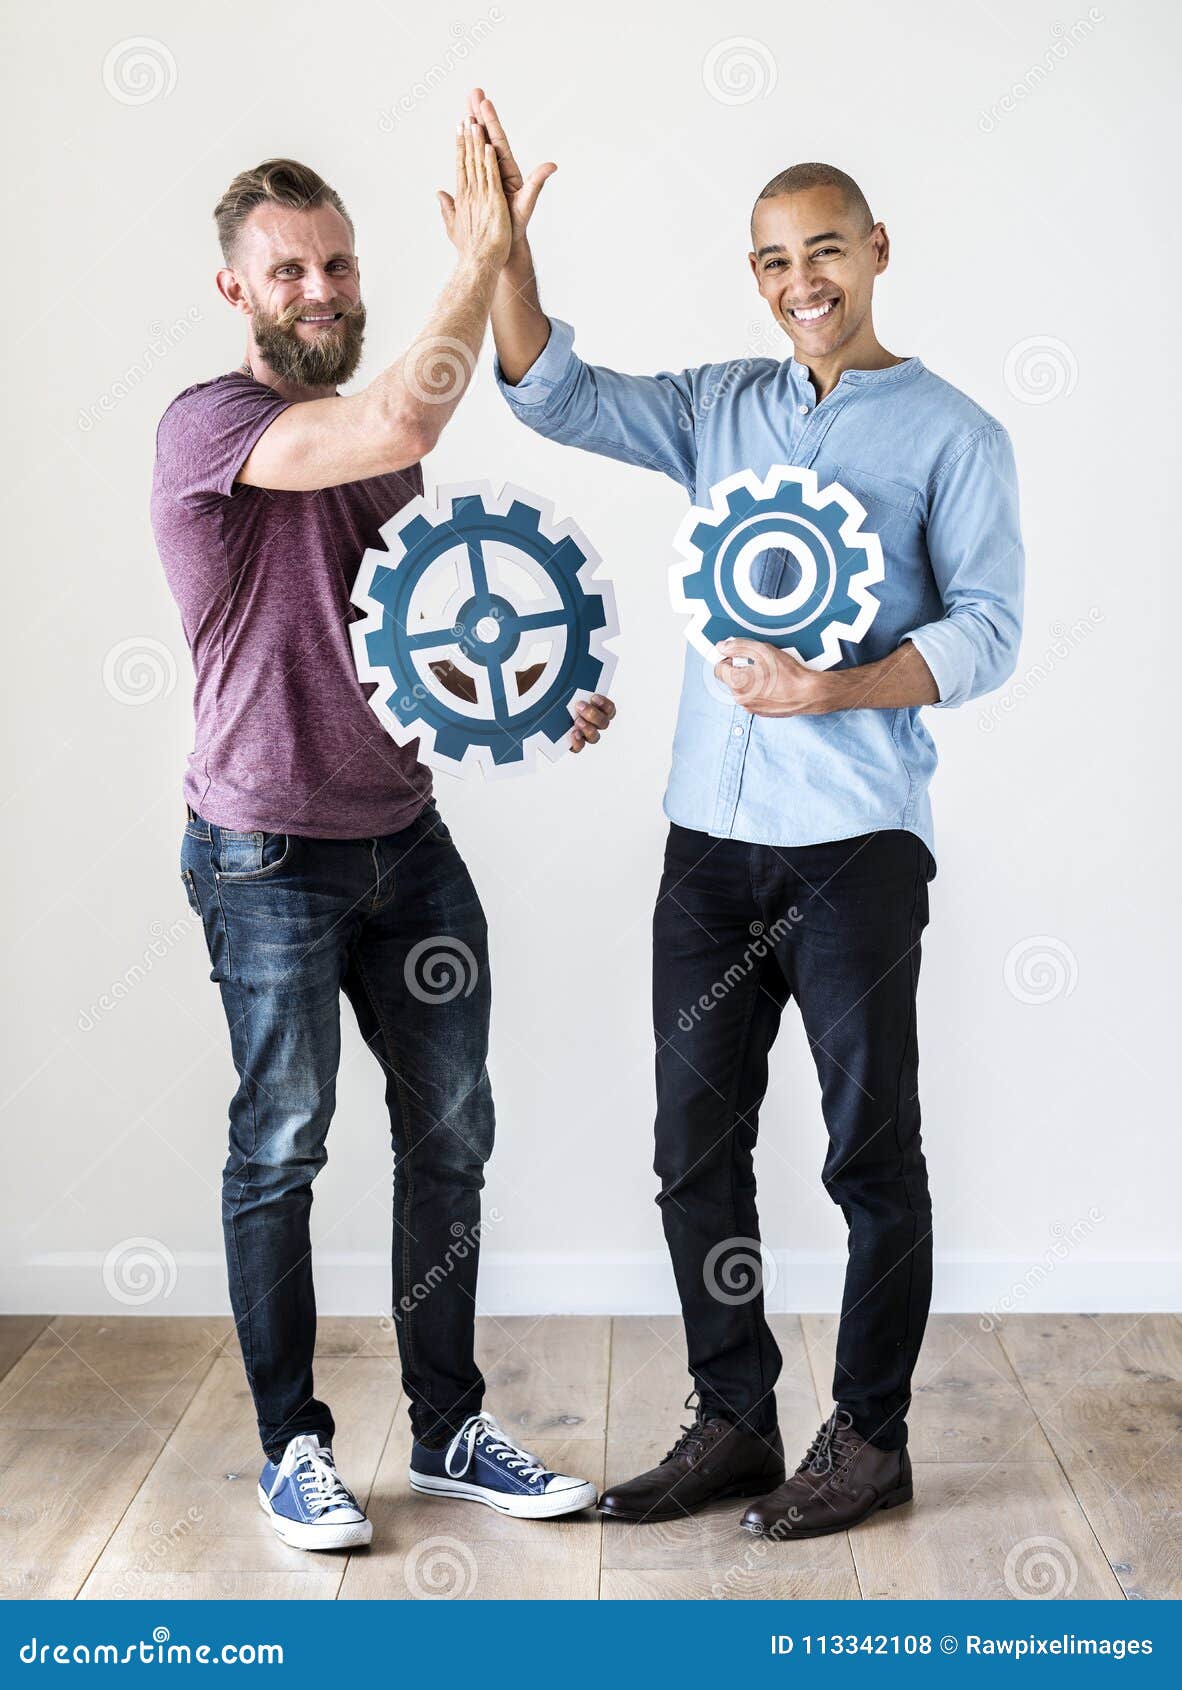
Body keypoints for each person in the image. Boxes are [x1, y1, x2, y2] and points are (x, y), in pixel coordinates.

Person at [481, 85, 1023, 1538]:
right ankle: (732, 1420)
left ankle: (868, 1436)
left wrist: (831, 690)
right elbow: (554, 391)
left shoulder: (953, 432)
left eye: (827, 250)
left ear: (878, 250)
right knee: (692, 1147)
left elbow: (990, 628)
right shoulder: (717, 405)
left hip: (854, 850)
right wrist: (503, 262)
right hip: (707, 850)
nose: (805, 283)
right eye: (778, 261)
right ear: (754, 277)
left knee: (867, 1152)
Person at [152, 128, 613, 1551]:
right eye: (287, 267)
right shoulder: (213, 428)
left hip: (403, 843)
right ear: (236, 291)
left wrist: (535, 691)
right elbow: (404, 425)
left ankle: (449, 1427)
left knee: (453, 1133)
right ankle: (292, 1450)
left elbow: (409, 648)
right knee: (282, 1145)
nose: (319, 285)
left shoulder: (373, 459)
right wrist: (485, 259)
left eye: (338, 261)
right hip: (264, 855)